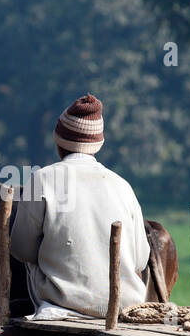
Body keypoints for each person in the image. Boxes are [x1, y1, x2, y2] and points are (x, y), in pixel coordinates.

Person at [10, 94, 151, 320]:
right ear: (97, 145)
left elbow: (20, 249)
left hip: (63, 302)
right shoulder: (122, 185)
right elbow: (140, 260)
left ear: (59, 143)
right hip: (126, 305)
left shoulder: (43, 179)